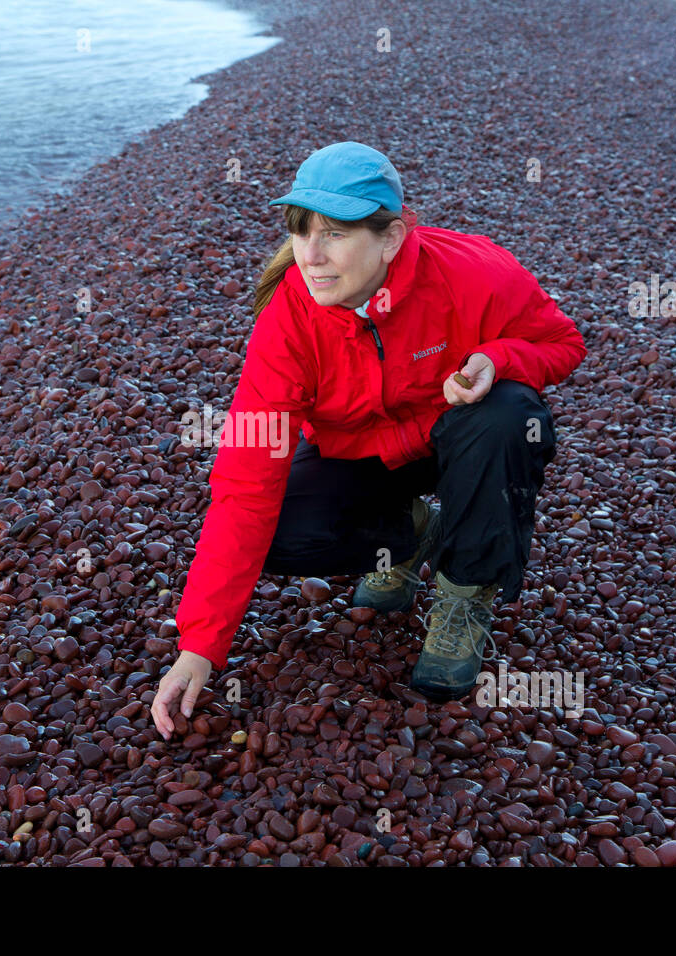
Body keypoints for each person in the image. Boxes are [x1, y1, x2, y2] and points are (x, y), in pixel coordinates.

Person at [151, 141, 585, 739]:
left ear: (392, 238)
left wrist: (496, 358)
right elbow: (245, 484)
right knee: (276, 527)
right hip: (364, 455)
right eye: (302, 232)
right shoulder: (288, 320)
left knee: (508, 414)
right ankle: (410, 536)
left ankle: (463, 593)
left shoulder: (473, 272)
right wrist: (200, 646)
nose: (312, 256)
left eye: (334, 234)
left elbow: (564, 345)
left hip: (458, 437)